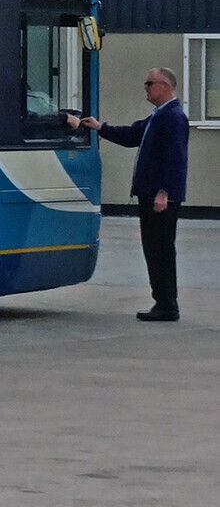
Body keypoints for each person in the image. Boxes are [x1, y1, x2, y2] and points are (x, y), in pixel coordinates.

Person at [68, 67, 188, 321]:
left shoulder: (173, 117)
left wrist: (164, 192)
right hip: (150, 194)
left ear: (166, 86)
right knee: (154, 249)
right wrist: (100, 128)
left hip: (160, 197)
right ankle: (164, 302)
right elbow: (132, 135)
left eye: (150, 83)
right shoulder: (158, 116)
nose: (145, 87)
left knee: (160, 250)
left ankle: (167, 305)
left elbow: (175, 159)